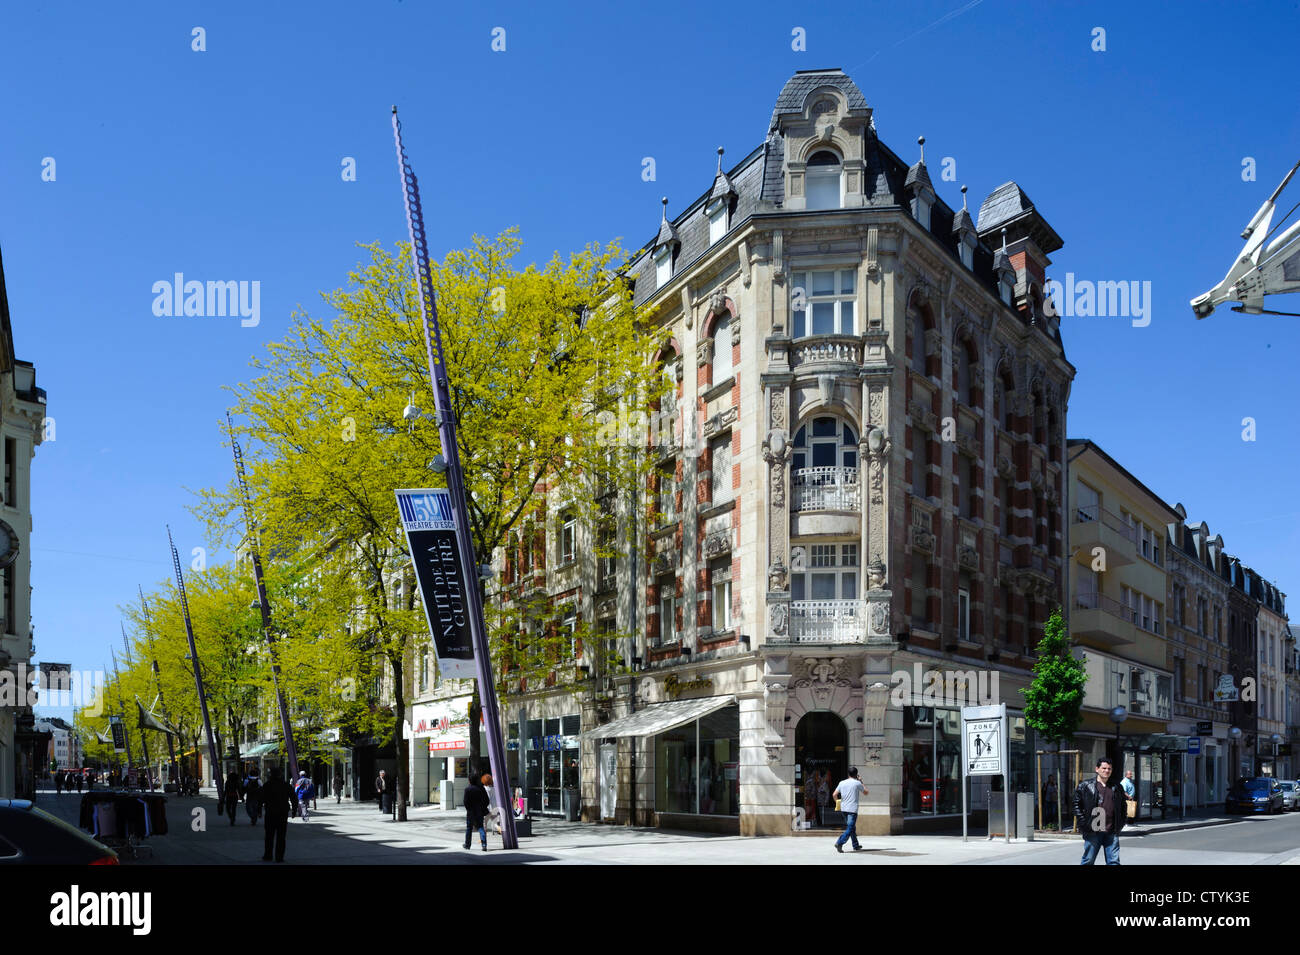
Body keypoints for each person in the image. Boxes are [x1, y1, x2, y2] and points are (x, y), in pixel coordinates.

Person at [1073, 756, 1128, 865]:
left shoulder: (1117, 787)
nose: (1107, 771)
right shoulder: (1085, 786)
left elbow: (1123, 806)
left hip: (1111, 830)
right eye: (1104, 768)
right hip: (1093, 830)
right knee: (1088, 860)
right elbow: (1076, 805)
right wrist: (1084, 823)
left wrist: (1121, 823)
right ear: (1097, 769)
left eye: (1109, 769)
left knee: (1114, 861)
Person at [832, 767, 869, 853]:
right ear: (856, 774)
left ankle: (855, 845)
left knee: (851, 828)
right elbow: (866, 792)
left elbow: (834, 795)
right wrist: (861, 781)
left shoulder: (842, 783)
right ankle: (839, 843)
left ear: (848, 774)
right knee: (850, 828)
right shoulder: (857, 783)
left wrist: (838, 803)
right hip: (852, 809)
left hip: (843, 809)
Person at [261, 766, 294, 862]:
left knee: (269, 836)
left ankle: (268, 855)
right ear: (280, 774)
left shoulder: (267, 785)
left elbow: (261, 798)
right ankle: (279, 857)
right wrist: (294, 810)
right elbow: (293, 798)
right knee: (281, 836)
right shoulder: (286, 785)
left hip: (270, 813)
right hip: (282, 813)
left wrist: (258, 809)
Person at [463, 773, 490, 852]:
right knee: (480, 827)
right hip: (479, 812)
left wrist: (469, 809)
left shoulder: (467, 789)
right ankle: (484, 845)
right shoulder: (481, 788)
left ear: (469, 780)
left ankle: (467, 844)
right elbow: (487, 800)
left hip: (471, 812)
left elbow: (465, 802)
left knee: (469, 828)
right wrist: (482, 808)